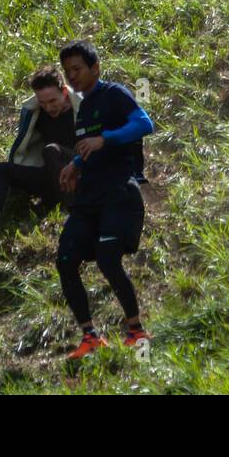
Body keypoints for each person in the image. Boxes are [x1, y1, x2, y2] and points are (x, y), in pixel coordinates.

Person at [54, 40, 154, 359]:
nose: (72, 76)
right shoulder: (83, 110)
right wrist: (75, 165)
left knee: (108, 258)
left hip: (118, 192)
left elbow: (143, 124)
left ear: (95, 68)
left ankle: (136, 331)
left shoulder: (114, 94)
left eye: (78, 69)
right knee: (65, 261)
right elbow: (90, 148)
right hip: (89, 197)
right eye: (67, 71)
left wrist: (105, 139)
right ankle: (90, 337)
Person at [0, 65, 80, 231]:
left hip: (80, 176)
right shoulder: (35, 113)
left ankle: (74, 211)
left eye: (53, 101)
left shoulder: (85, 109)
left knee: (51, 150)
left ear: (64, 92)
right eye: (43, 103)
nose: (49, 107)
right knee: (1, 169)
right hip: (51, 178)